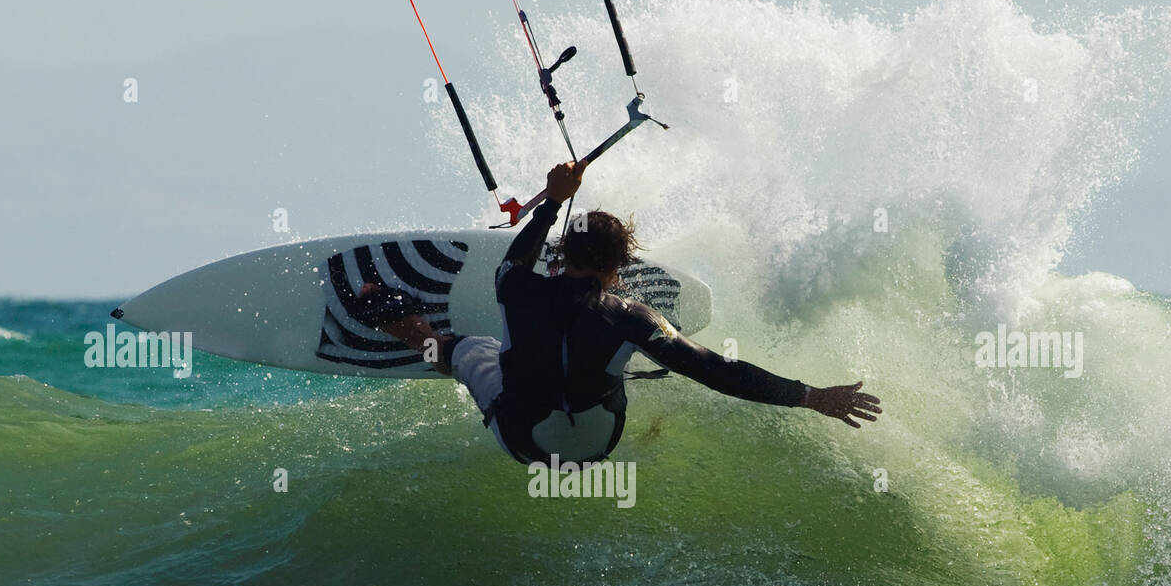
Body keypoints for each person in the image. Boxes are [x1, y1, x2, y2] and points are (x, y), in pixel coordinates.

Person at [355, 160, 881, 464]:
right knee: (644, 362)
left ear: (560, 256)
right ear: (618, 266)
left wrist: (554, 201)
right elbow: (721, 372)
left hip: (525, 442)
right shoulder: (633, 317)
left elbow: (517, 251)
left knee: (467, 348)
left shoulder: (514, 286)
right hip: (599, 442)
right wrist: (811, 397)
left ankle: (399, 321)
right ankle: (626, 372)